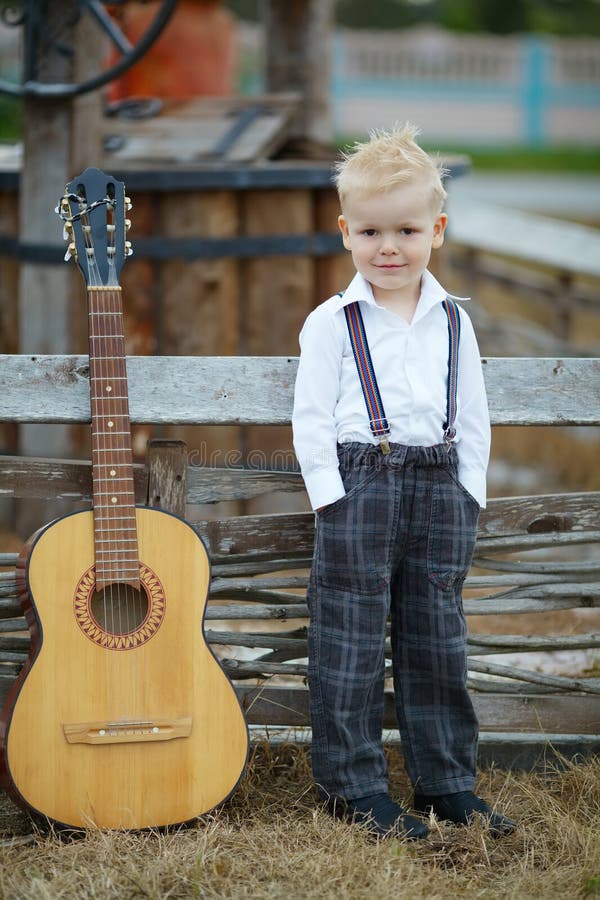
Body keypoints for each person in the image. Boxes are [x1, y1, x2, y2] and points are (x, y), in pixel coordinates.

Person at [292, 124, 516, 841]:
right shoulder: (333, 323)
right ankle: (353, 787)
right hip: (360, 485)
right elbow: (311, 418)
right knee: (350, 638)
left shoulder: (454, 321)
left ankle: (446, 782)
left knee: (437, 639)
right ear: (346, 232)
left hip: (441, 484)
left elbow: (473, 413)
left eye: (407, 230)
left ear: (437, 231)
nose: (388, 247)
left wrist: (469, 490)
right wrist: (331, 496)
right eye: (371, 232)